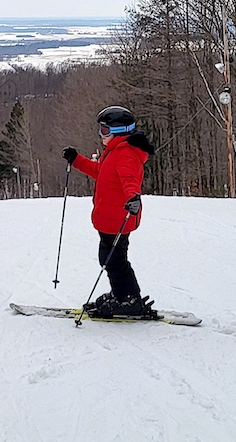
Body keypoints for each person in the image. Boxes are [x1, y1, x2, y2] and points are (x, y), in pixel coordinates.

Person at [62, 105, 157, 319]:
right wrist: (76, 159)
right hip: (110, 219)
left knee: (113, 260)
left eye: (104, 130)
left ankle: (128, 300)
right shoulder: (114, 152)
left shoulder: (125, 154)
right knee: (113, 259)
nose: (101, 134)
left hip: (118, 219)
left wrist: (133, 197)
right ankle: (123, 294)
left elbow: (130, 179)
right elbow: (100, 172)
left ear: (119, 131)